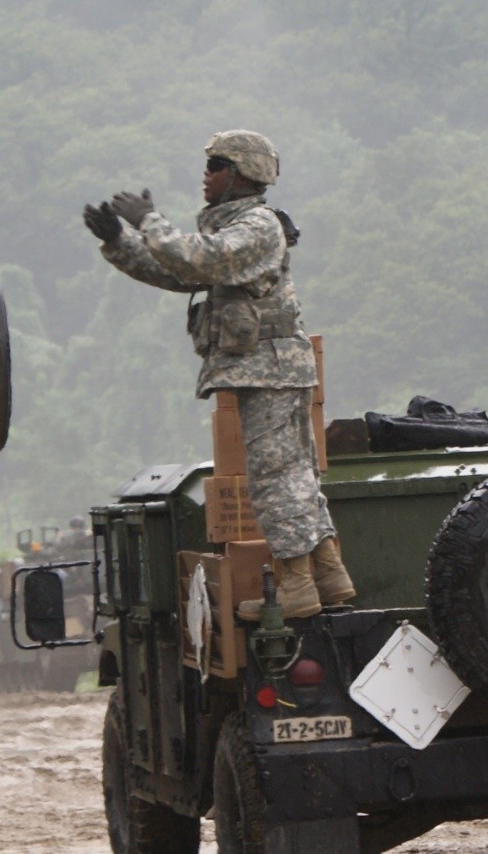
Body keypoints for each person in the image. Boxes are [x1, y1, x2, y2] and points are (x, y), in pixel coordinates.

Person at [83, 129, 353, 620]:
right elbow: (179, 274)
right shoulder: (236, 227)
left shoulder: (256, 226)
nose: (205, 176)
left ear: (240, 175)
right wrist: (118, 240)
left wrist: (148, 219)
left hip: (270, 369)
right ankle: (328, 575)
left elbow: (197, 258)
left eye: (215, 167)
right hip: (271, 368)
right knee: (294, 476)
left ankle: (297, 588)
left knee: (276, 480)